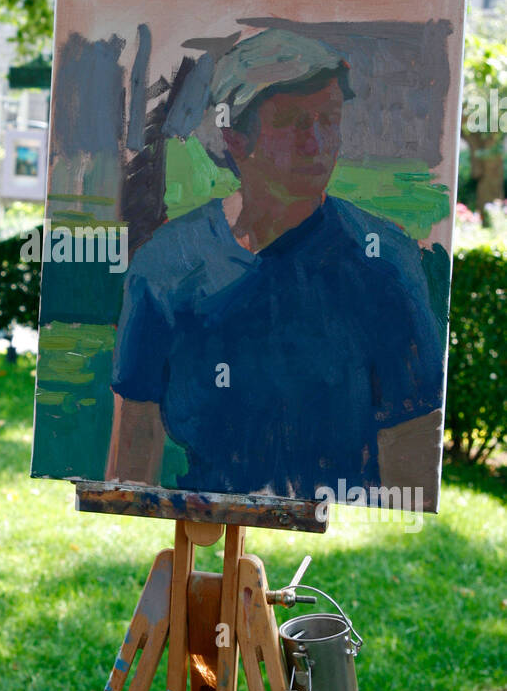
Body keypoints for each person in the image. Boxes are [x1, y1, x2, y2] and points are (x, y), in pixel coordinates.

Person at [106, 28, 445, 500]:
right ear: (235, 139)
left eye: (328, 119)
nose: (317, 141)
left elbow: (413, 451)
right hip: (202, 529)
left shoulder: (385, 263)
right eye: (292, 121)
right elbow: (134, 446)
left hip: (344, 538)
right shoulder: (167, 266)